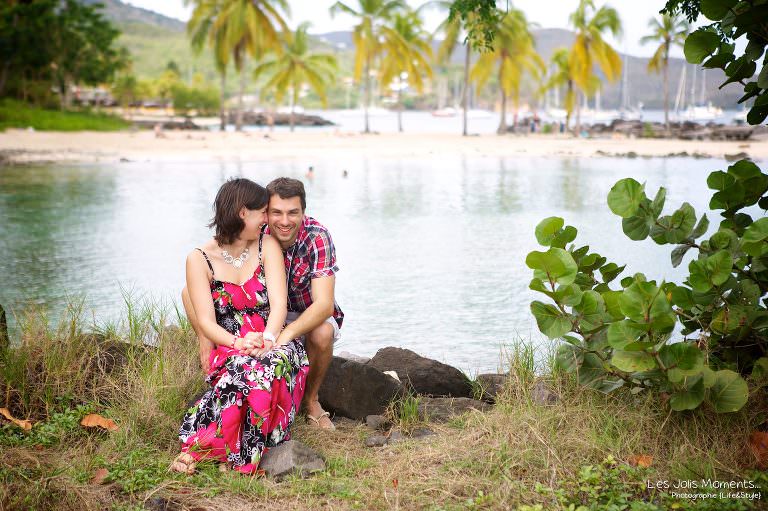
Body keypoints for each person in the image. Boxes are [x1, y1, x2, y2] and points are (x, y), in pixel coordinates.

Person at [173, 178, 309, 475]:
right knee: (242, 372)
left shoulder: (266, 244)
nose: (267, 220)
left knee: (267, 365)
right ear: (241, 213)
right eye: (262, 212)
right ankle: (210, 449)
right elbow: (206, 321)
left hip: (273, 337)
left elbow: (279, 306)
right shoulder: (199, 259)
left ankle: (227, 454)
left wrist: (270, 338)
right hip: (229, 341)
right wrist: (237, 344)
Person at [265, 177, 343, 430]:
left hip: (308, 312)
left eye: (292, 213)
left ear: (303, 212)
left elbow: (324, 305)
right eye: (276, 212)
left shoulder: (317, 236)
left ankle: (311, 400)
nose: (284, 221)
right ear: (265, 213)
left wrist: (288, 332)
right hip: (267, 312)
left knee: (322, 333)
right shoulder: (258, 235)